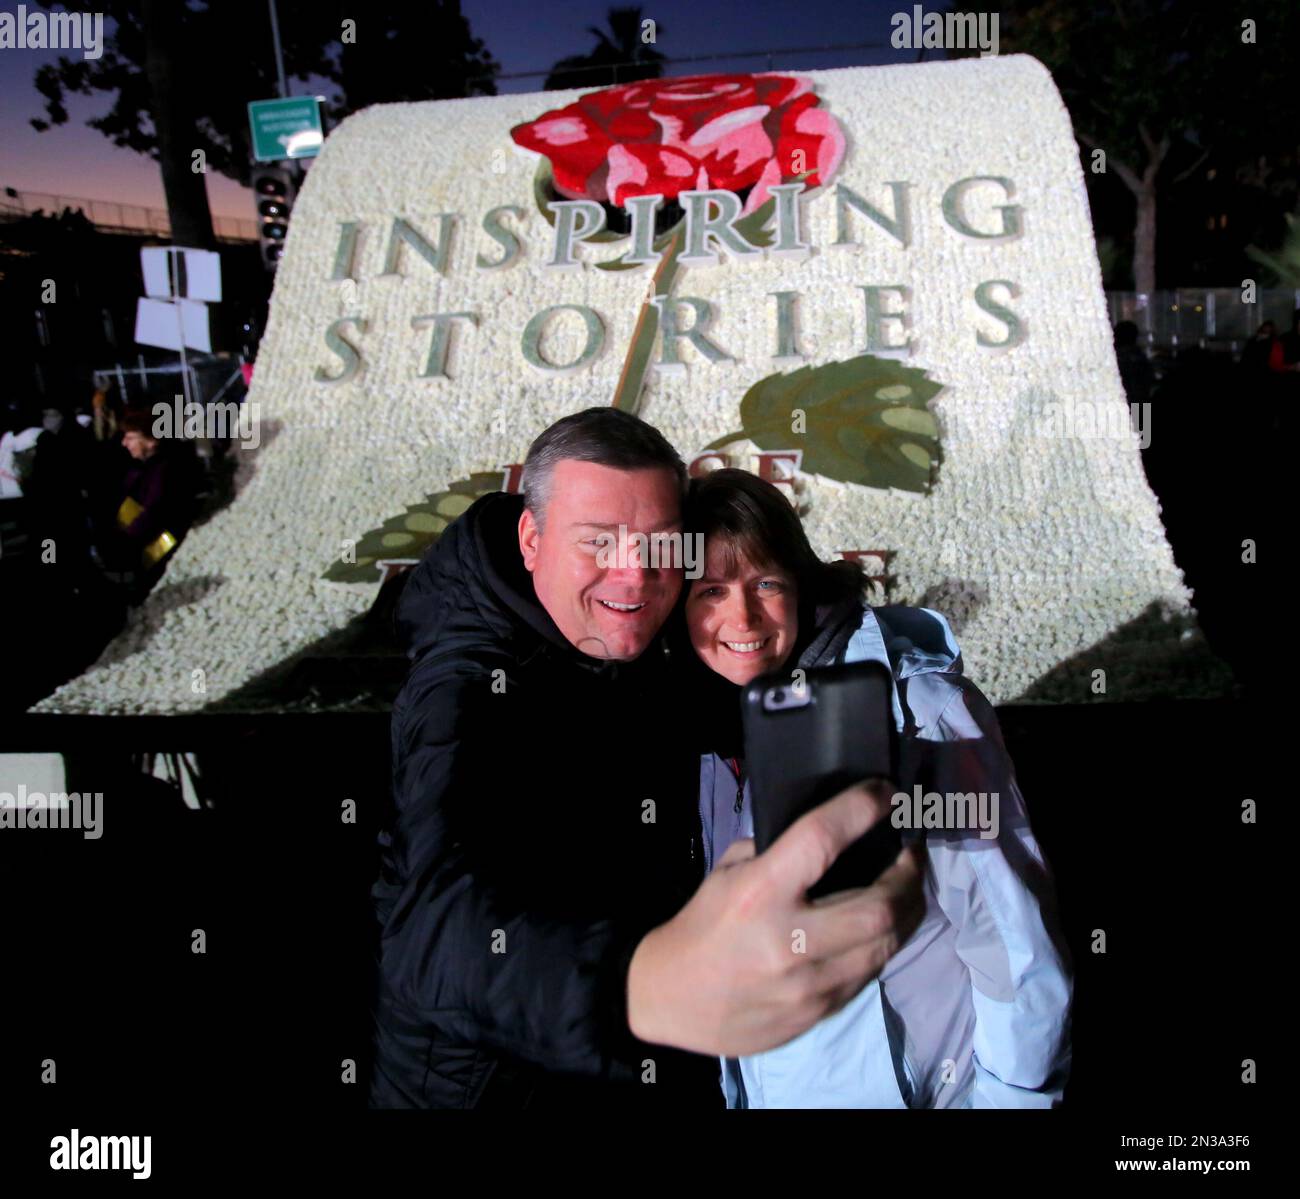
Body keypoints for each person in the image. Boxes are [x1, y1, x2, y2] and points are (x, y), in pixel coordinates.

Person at [368, 408, 926, 1109]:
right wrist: (648, 985)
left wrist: (866, 649)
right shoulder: (468, 686)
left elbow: (747, 647)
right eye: (599, 542)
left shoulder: (637, 638)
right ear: (532, 539)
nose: (633, 577)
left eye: (660, 546)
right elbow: (433, 932)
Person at [677, 468, 1072, 1107]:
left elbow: (1009, 933)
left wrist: (1017, 1100)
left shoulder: (921, 709)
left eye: (766, 583)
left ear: (802, 583)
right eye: (710, 591)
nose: (741, 616)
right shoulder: (708, 731)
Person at [1113, 320, 1154, 407]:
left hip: (1122, 405)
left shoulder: (1116, 359)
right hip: (1142, 403)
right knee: (1143, 420)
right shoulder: (1140, 358)